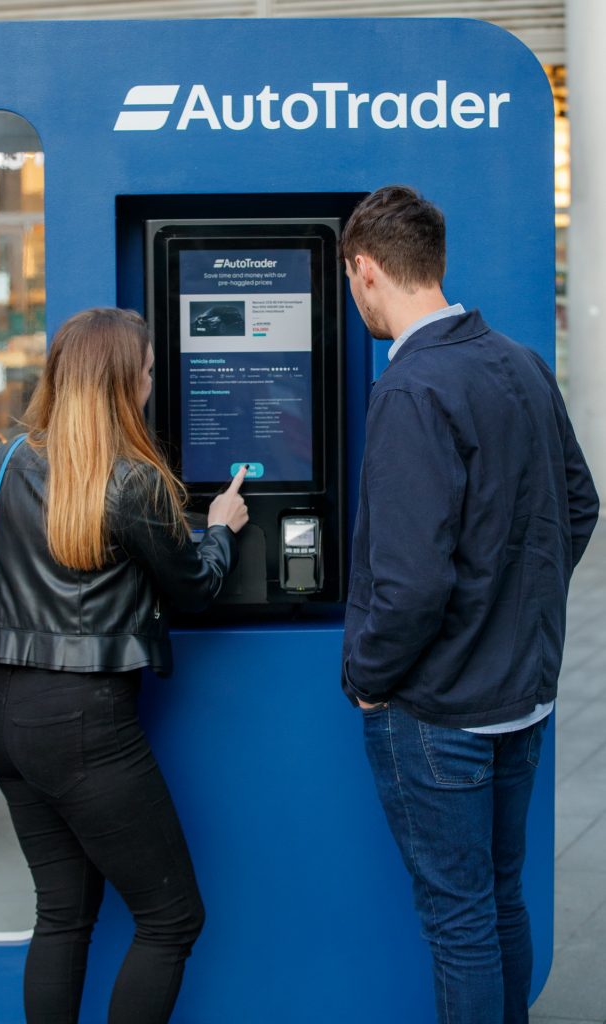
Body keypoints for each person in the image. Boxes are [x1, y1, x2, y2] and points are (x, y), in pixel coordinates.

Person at [340, 186, 599, 1024]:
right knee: (497, 902)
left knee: (458, 924)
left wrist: (366, 676)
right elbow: (580, 504)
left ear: (367, 270)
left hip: (438, 708)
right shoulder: (519, 361)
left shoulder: (413, 389)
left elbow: (409, 581)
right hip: (519, 697)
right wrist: (517, 618)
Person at [0, 307, 248, 1024]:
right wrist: (221, 530)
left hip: (3, 720)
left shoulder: (5, 460)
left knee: (62, 914)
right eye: (146, 372)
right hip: (83, 727)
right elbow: (195, 590)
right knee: (172, 918)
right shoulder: (132, 482)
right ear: (122, 383)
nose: (151, 384)